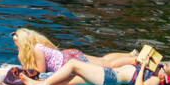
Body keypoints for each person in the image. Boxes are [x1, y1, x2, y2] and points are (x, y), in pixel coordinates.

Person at [21, 53, 170, 85]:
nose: (157, 67)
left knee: (73, 64)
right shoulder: (147, 71)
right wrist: (140, 61)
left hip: (110, 78)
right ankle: (41, 84)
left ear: (163, 76)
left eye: (160, 67)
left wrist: (143, 70)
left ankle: (44, 84)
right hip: (108, 75)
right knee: (71, 81)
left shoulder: (154, 80)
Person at [10, 29, 141, 75]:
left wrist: (23, 63)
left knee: (108, 65)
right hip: (69, 56)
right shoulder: (38, 46)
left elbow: (41, 72)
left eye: (18, 46)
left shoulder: (37, 51)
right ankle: (130, 55)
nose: (17, 48)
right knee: (104, 60)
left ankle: (135, 60)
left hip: (70, 61)